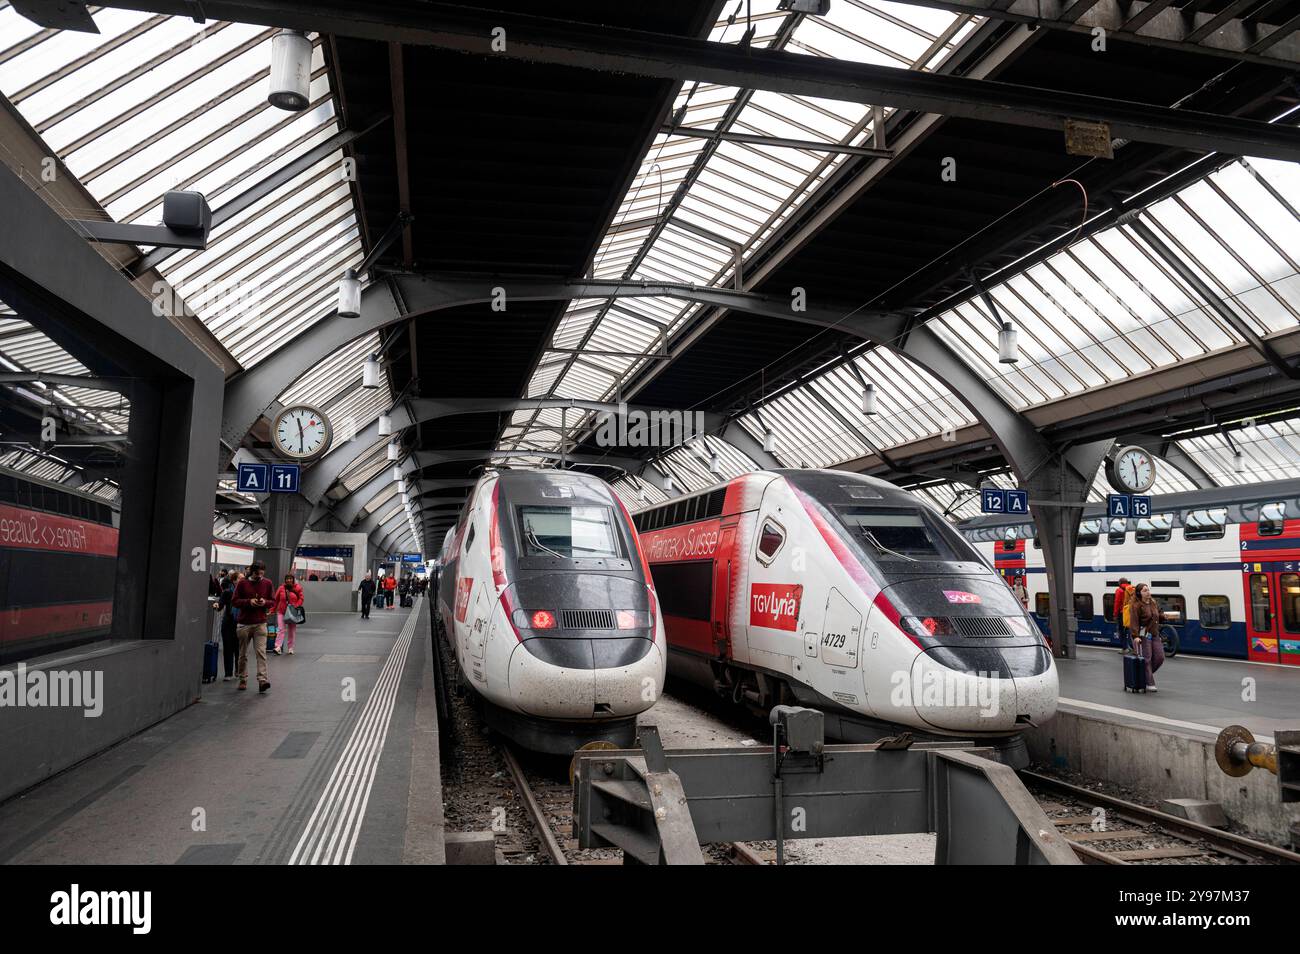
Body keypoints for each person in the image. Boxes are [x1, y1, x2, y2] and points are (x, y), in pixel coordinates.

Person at [232, 561, 274, 693]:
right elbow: (234, 601)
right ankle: (242, 678)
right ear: (252, 572)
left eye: (262, 574)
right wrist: (249, 602)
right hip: (244, 623)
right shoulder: (242, 583)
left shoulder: (267, 583)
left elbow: (272, 601)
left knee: (261, 652)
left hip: (260, 623)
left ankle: (263, 680)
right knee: (242, 653)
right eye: (257, 574)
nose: (259, 576)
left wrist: (264, 603)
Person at [1127, 583, 1165, 692]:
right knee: (1147, 659)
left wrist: (1163, 616)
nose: (1148, 592)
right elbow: (1134, 622)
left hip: (1154, 634)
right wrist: (1135, 636)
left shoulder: (1153, 602)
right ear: (1139, 593)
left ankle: (1143, 675)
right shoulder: (1136, 606)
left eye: (1148, 590)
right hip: (1143, 635)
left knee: (1160, 657)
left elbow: (1158, 615)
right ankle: (1149, 682)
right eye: (1145, 590)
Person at [273, 573, 304, 655]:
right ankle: (278, 646)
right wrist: (272, 610)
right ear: (285, 580)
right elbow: (276, 600)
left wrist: (296, 606)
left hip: (292, 613)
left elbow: (301, 598)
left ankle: (290, 647)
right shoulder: (281, 588)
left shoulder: (298, 588)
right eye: (287, 578)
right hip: (281, 612)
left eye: (290, 578)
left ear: (293, 579)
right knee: (281, 629)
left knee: (291, 631)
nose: (289, 580)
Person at [218, 572, 240, 681]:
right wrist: (216, 605)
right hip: (228, 623)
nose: (242, 580)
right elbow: (220, 605)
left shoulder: (245, 593)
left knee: (238, 648)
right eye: (239, 579)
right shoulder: (227, 592)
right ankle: (228, 673)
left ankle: (238, 670)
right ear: (234, 580)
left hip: (240, 623)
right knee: (228, 647)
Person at [1113, 577, 1133, 644]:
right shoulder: (1132, 589)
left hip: (1123, 614)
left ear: (1120, 583)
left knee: (1122, 631)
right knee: (1131, 630)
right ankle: (1134, 647)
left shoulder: (1119, 590)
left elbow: (1117, 603)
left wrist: (1115, 614)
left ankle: (1125, 648)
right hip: (1131, 612)